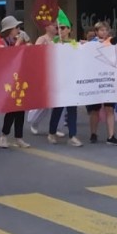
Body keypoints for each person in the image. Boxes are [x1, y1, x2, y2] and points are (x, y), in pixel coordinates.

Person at [0, 16, 32, 149]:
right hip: (8, 80)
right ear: (9, 29)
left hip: (20, 77)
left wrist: (28, 45)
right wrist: (18, 44)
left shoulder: (19, 39)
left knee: (21, 108)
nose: (18, 30)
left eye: (18, 27)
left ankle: (19, 137)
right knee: (11, 109)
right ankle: (4, 136)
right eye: (16, 27)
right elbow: (6, 57)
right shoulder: (2, 42)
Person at [47, 16, 83, 147]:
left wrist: (84, 47)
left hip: (71, 81)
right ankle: (51, 133)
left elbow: (79, 57)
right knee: (58, 108)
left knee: (72, 109)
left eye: (63, 28)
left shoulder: (74, 44)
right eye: (58, 28)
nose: (60, 30)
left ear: (69, 30)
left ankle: (72, 135)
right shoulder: (55, 42)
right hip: (59, 81)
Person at [86, 22, 117, 145]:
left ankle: (111, 136)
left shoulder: (112, 43)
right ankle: (93, 134)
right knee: (95, 110)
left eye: (105, 30)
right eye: (101, 30)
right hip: (95, 81)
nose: (103, 32)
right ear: (96, 32)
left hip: (108, 81)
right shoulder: (91, 45)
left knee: (109, 109)